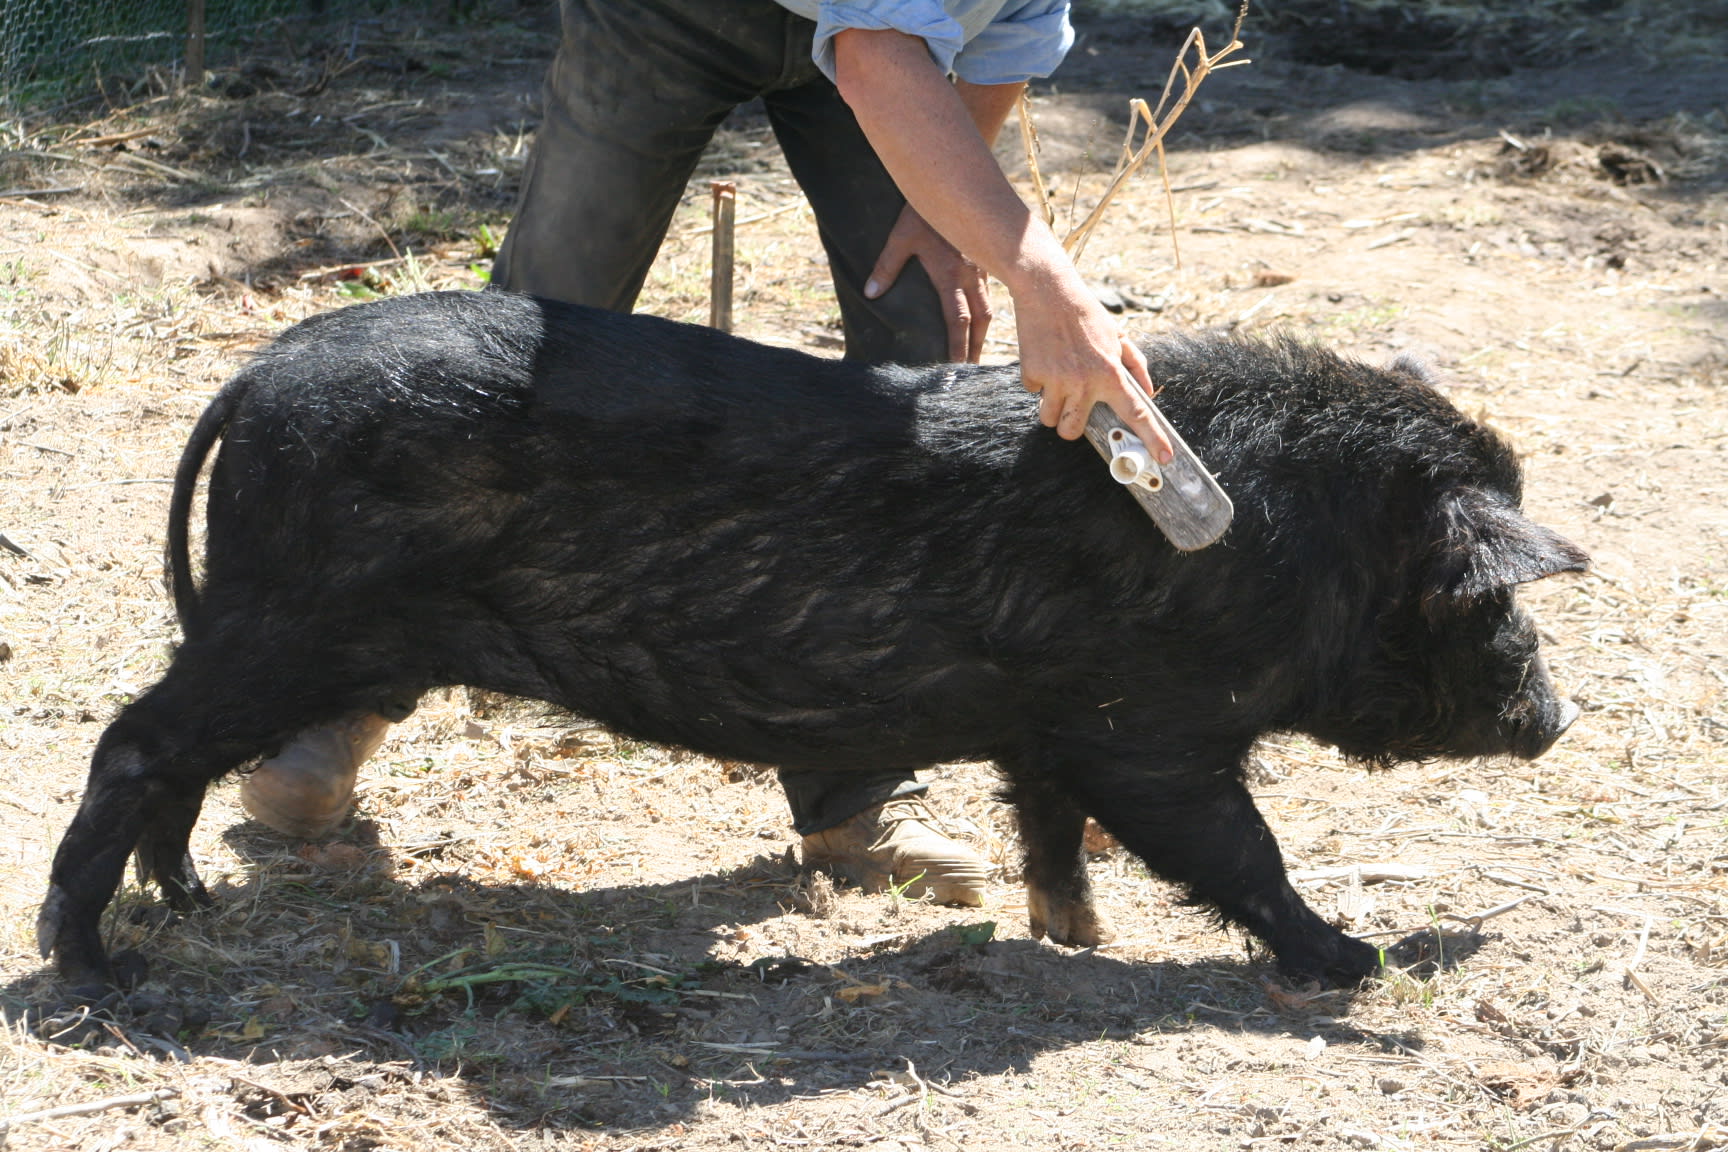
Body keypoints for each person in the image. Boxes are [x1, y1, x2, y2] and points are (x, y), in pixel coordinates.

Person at [240, 0, 1174, 908]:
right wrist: (1047, 282)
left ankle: (853, 788)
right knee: (528, 346)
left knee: (922, 327)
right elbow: (875, 57)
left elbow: (1004, 36)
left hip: (880, 38)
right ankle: (342, 695)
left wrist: (953, 222)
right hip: (672, 17)